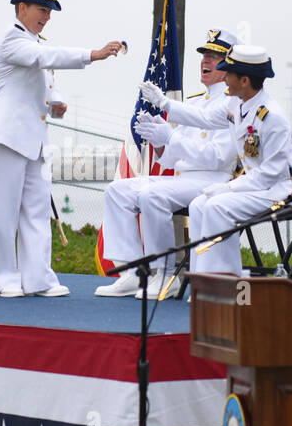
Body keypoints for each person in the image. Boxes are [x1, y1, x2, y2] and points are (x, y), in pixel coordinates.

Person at [0, 0, 124, 298]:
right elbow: (46, 57)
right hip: (4, 139)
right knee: (3, 213)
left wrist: (55, 102)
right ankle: (4, 280)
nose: (47, 17)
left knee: (37, 210)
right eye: (42, 10)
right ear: (22, 8)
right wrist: (93, 55)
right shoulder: (11, 41)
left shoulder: (35, 45)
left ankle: (39, 278)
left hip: (34, 143)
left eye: (50, 12)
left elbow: (42, 79)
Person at [95, 28, 238, 297]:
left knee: (152, 195)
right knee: (117, 191)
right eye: (204, 55)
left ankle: (165, 274)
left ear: (229, 64)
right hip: (184, 179)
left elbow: (219, 157)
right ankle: (132, 272)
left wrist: (171, 137)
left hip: (212, 181)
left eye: (214, 56)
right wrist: (160, 139)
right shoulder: (195, 102)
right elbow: (172, 156)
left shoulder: (232, 103)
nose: (205, 61)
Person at [139, 45, 292, 279]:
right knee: (198, 205)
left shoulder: (272, 117)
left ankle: (227, 280)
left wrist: (228, 187)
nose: (225, 78)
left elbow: (271, 174)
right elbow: (204, 118)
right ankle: (201, 279)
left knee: (218, 206)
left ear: (245, 80)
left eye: (230, 74)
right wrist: (165, 104)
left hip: (279, 189)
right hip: (256, 186)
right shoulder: (235, 104)